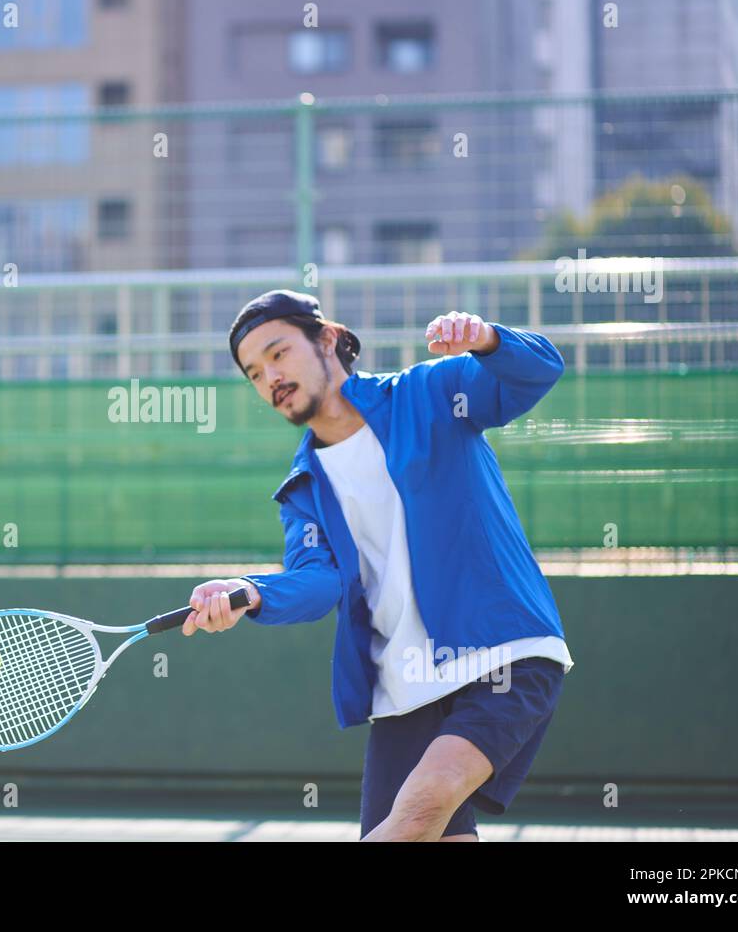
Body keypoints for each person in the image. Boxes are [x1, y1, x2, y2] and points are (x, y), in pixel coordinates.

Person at [185, 290, 574, 841]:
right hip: (404, 691)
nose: (269, 377)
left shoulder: (429, 393)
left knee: (416, 813)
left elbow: (537, 372)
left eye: (278, 354)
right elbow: (320, 583)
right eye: (253, 372)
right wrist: (250, 591)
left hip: (502, 656)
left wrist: (486, 339)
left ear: (328, 339)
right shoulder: (303, 490)